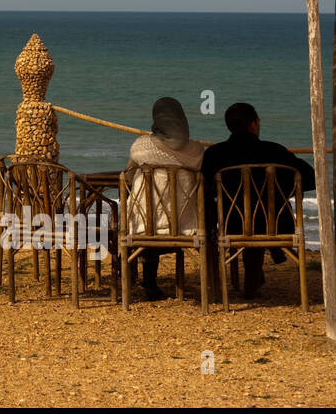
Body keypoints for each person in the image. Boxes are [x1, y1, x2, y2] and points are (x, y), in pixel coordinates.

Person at [200, 102, 316, 299]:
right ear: (253, 124)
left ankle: (245, 281)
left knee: (240, 212)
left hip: (231, 224)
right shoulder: (275, 151)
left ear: (229, 126)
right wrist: (283, 190)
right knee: (262, 211)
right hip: (277, 224)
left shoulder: (215, 154)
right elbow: (310, 178)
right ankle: (273, 251)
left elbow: (203, 189)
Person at [124, 97, 204, 300]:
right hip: (186, 225)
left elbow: (128, 178)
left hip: (145, 227)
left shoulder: (142, 147)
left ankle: (146, 280)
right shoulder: (196, 150)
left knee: (145, 210)